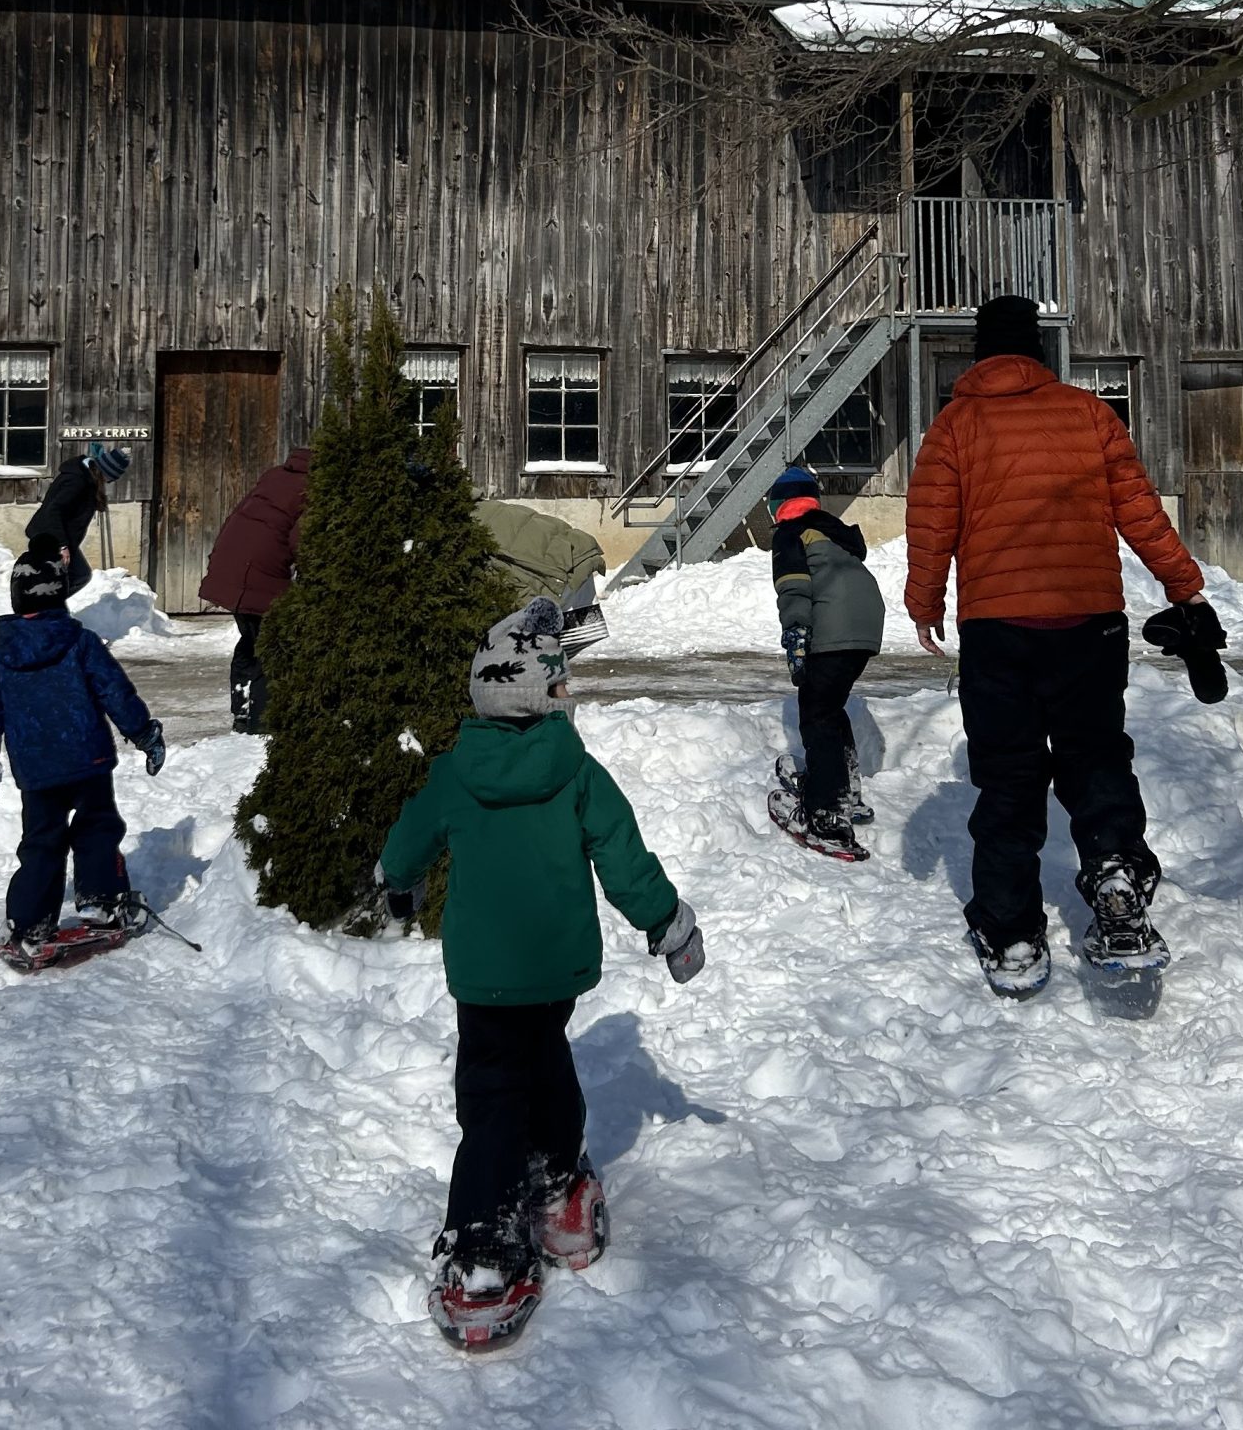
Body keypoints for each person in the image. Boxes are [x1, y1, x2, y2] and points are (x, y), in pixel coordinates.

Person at [376, 596, 706, 1354]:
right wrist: (667, 921)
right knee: (548, 1062)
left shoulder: (457, 773)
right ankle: (557, 1185)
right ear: (542, 694)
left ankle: (484, 1243)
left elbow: (409, 841)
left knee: (491, 1093)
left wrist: (399, 879)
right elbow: (624, 858)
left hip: (485, 974)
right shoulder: (576, 770)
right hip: (554, 968)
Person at [905, 294, 1223, 1000]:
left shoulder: (955, 425)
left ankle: (1014, 932)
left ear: (981, 353)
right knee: (1093, 754)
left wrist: (925, 604)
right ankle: (1114, 869)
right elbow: (1139, 509)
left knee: (1010, 778)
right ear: (1040, 354)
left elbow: (932, 525)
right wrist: (1184, 586)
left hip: (998, 629)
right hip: (1089, 626)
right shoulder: (1089, 415)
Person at [0, 555, 167, 957]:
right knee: (96, 829)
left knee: (41, 843)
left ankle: (30, 920)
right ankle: (102, 901)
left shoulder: (1, 657)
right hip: (88, 761)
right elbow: (116, 693)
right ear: (62, 597)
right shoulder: (81, 642)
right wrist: (145, 734)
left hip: (37, 772)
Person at [762, 464, 885, 863]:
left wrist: (796, 634)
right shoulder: (831, 530)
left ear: (778, 505)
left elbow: (794, 586)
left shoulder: (790, 534)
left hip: (834, 627)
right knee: (829, 708)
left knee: (815, 714)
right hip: (865, 626)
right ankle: (843, 790)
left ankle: (827, 816)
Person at [198, 446, 312, 731]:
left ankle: (242, 709)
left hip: (231, 564)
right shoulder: (313, 487)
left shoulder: (274, 476)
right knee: (271, 649)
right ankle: (262, 724)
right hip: (260, 574)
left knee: (250, 641)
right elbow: (302, 540)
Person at [15, 441, 129, 599]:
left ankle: (44, 609)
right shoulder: (78, 481)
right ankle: (44, 608)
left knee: (64, 577)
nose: (107, 483)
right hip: (50, 537)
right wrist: (62, 545)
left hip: (54, 536)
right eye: (109, 479)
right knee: (78, 576)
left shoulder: (84, 477)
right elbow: (54, 510)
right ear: (104, 472)